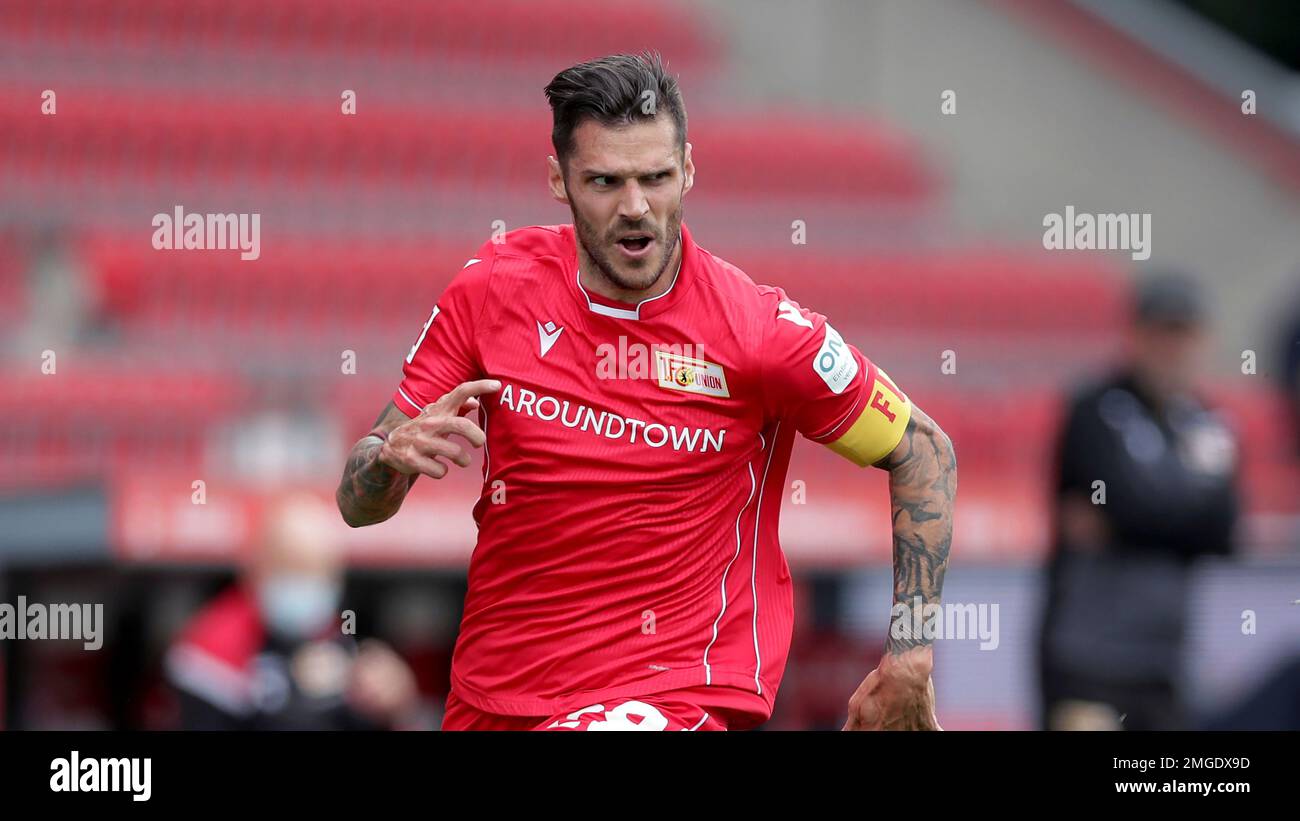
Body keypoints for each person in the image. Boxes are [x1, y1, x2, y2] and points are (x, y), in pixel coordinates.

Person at [336, 53, 956, 731]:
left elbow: (923, 450)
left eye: (656, 177)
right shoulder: (490, 289)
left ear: (688, 169)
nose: (636, 207)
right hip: (496, 696)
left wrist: (908, 657)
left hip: (677, 694)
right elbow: (358, 504)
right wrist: (386, 461)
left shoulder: (759, 332)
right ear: (558, 180)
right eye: (605, 181)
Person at [1038, 272, 1239, 730]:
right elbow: (1125, 503)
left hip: (1164, 662)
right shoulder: (1095, 409)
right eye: (1163, 333)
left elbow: (1225, 530)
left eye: (1185, 335)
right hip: (1085, 661)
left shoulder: (1208, 423)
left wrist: (1133, 520)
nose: (1174, 349)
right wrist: (1183, 511)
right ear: (1136, 335)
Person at [166, 494, 421, 730]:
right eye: (293, 568)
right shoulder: (211, 647)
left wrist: (394, 701)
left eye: (321, 572)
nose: (308, 584)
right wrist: (297, 696)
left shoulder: (334, 638)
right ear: (254, 566)